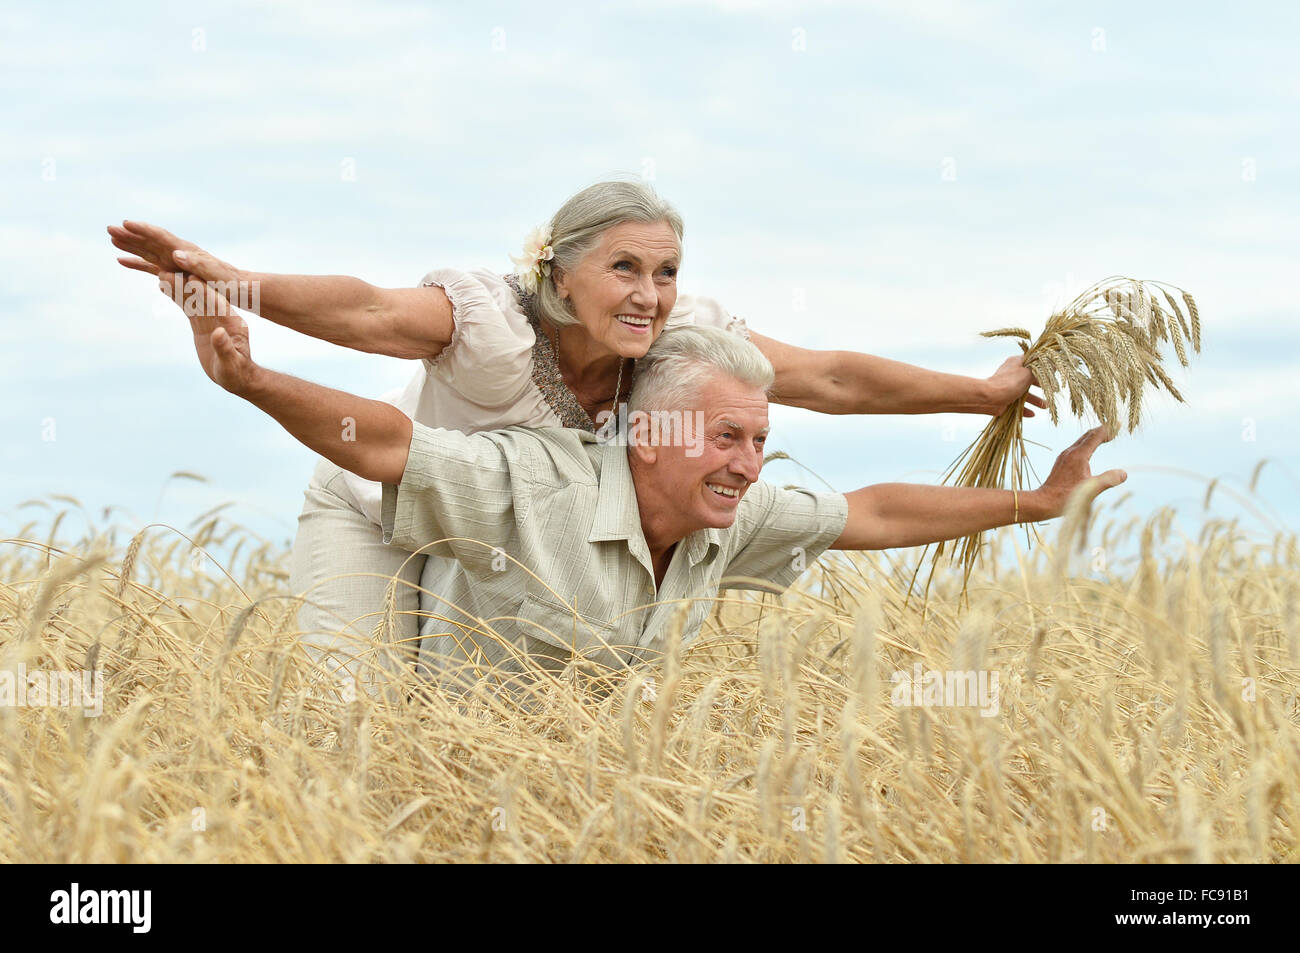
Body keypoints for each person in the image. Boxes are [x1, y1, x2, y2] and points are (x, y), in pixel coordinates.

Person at [109, 180, 1046, 684]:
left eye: (667, 271)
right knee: (356, 711)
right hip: (383, 509)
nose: (649, 295)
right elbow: (361, 312)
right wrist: (229, 287)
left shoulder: (681, 344)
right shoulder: (487, 324)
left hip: (519, 532)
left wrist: (976, 394)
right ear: (559, 270)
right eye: (626, 268)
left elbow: (830, 376)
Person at [165, 282, 1124, 696]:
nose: (751, 463)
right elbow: (383, 440)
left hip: (482, 555)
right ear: (647, 433)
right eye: (726, 438)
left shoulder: (726, 492)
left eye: (760, 440)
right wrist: (252, 374)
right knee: (356, 718)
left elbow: (866, 506)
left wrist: (1031, 497)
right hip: (377, 504)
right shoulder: (532, 467)